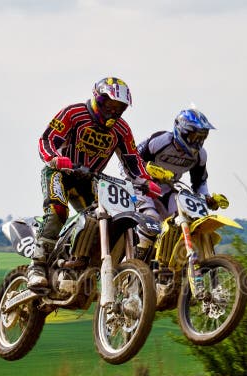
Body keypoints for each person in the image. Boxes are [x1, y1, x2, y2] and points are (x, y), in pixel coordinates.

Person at [27, 76, 162, 289]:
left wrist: (145, 181)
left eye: (120, 107)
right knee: (57, 212)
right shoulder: (73, 113)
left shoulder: (122, 130)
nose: (114, 111)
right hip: (60, 172)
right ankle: (37, 266)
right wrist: (55, 157)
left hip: (91, 180)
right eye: (110, 104)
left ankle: (77, 262)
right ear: (99, 99)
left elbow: (132, 159)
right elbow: (47, 139)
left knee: (103, 219)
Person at [121, 108, 228, 258]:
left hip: (168, 189)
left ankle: (169, 264)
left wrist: (207, 198)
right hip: (142, 187)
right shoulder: (160, 141)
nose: (197, 141)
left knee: (182, 221)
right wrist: (144, 177)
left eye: (201, 137)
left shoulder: (200, 155)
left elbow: (199, 182)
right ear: (181, 131)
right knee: (151, 218)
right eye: (194, 136)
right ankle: (137, 262)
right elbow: (129, 161)